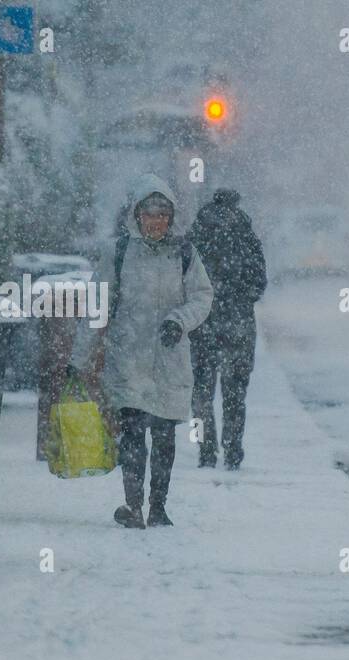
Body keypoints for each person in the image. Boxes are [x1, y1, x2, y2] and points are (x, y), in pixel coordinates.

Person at [72, 174, 214, 529]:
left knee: (164, 436)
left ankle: (158, 506)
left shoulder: (184, 254)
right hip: (129, 359)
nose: (156, 222)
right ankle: (134, 506)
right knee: (133, 434)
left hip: (169, 362)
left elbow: (202, 296)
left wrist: (178, 321)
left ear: (171, 218)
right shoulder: (118, 254)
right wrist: (79, 357)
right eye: (149, 214)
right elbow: (98, 305)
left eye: (163, 215)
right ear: (137, 216)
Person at [186, 188, 268, 470]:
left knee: (200, 392)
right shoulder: (245, 234)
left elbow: (183, 278)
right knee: (235, 392)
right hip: (238, 322)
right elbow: (259, 281)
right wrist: (239, 297)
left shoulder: (197, 233)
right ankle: (233, 449)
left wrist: (204, 300)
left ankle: (206, 451)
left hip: (202, 322)